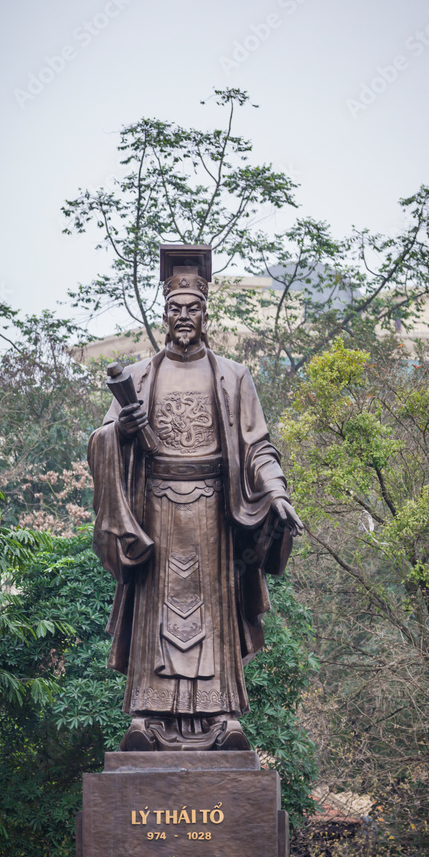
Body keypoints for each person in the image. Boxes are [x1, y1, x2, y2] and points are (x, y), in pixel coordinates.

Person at [87, 246, 302, 750]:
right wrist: (122, 430)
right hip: (155, 512)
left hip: (214, 513)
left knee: (213, 613)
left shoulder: (233, 376)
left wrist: (276, 492)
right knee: (156, 612)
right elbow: (99, 440)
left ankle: (221, 715)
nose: (184, 316)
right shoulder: (140, 376)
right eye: (175, 309)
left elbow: (258, 447)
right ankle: (147, 715)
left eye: (193, 308)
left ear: (206, 314)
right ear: (164, 315)